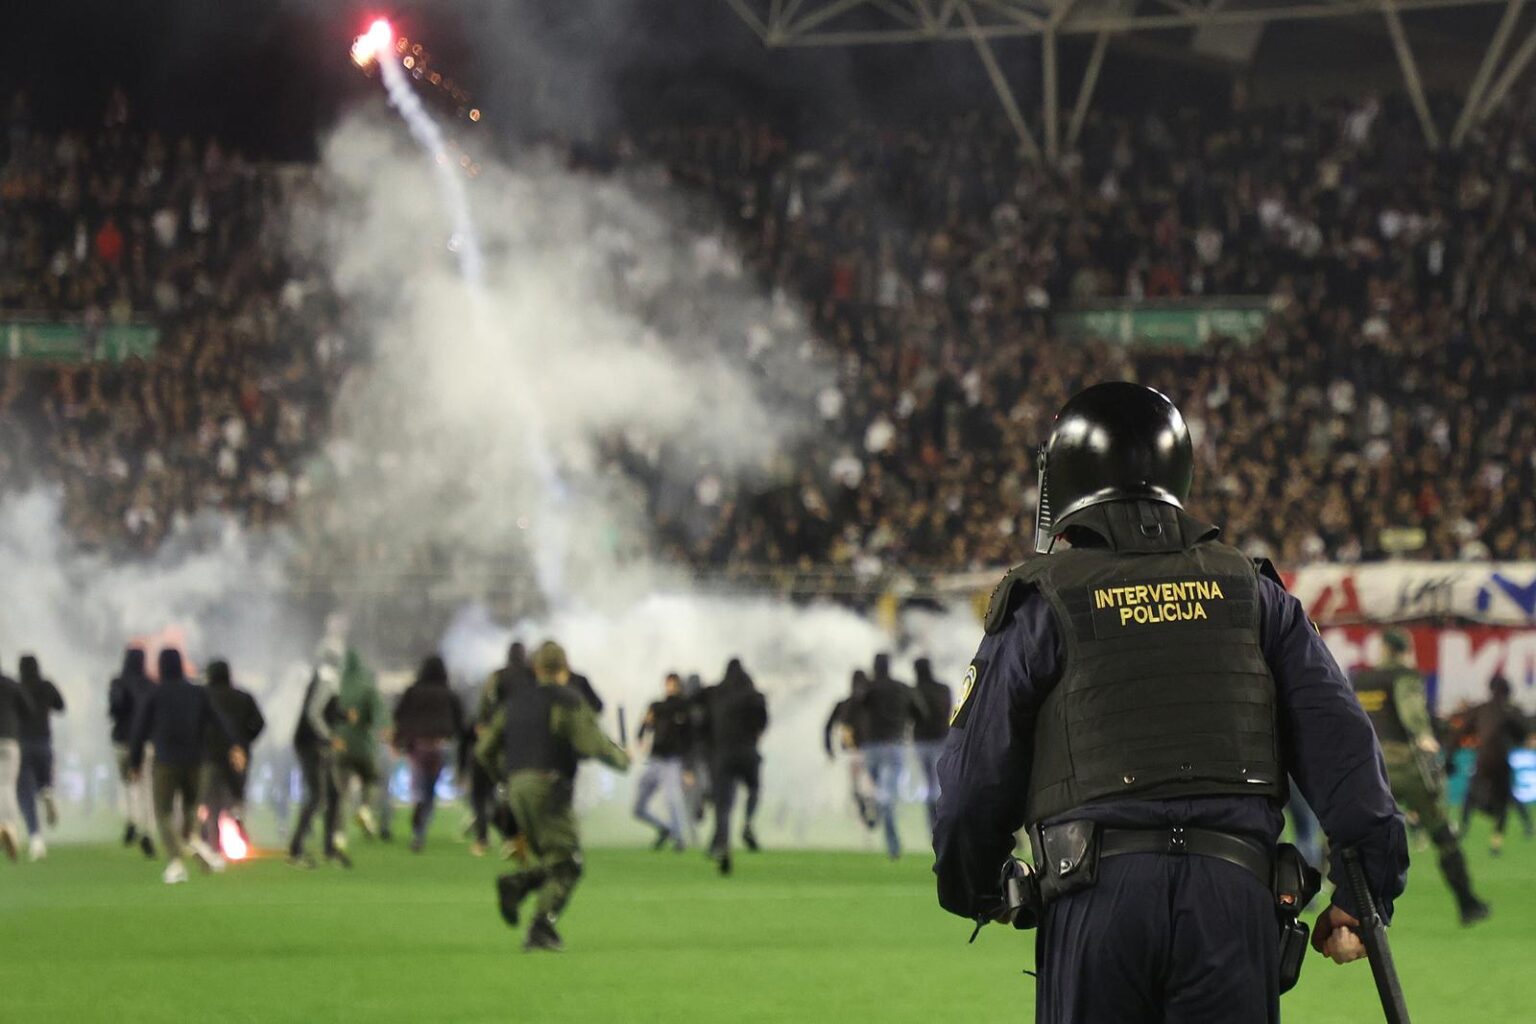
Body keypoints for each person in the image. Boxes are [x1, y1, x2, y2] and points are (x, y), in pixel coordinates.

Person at [933, 382, 1408, 1023]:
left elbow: (972, 783)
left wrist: (977, 886)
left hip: (1095, 901)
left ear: (1065, 477)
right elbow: (1345, 746)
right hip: (1234, 898)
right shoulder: (1255, 593)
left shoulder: (1041, 602)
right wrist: (1363, 886)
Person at [482, 641, 629, 952]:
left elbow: (484, 751)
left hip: (517, 788)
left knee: (553, 859)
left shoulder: (516, 701)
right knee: (568, 864)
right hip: (548, 786)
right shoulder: (568, 700)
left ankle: (518, 885)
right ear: (565, 668)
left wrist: (506, 780)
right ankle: (540, 925)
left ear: (536, 669)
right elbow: (592, 744)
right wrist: (621, 759)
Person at [1350, 630, 1488, 924]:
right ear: (1404, 650)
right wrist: (1424, 735)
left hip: (1369, 766)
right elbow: (1411, 710)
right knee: (1442, 833)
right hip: (1405, 764)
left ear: (1383, 648)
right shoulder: (1405, 676)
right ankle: (1468, 903)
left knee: (1356, 838)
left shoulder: (1362, 679)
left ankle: (1351, 908)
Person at [128, 650, 246, 884]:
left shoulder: (155, 694)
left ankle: (176, 862)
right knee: (191, 808)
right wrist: (234, 745)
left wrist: (135, 762)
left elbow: (139, 730)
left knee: (163, 812)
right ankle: (193, 841)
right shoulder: (198, 693)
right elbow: (219, 720)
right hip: (195, 761)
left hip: (166, 761)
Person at [699, 657, 769, 874]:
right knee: (754, 788)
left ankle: (723, 844)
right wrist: (755, 735)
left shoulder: (716, 694)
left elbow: (703, 722)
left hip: (723, 754)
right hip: (747, 750)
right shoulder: (753, 695)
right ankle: (748, 821)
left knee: (723, 805)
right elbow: (763, 721)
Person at [392, 655, 465, 852]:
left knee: (418, 784)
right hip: (440, 746)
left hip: (417, 746)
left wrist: (399, 740)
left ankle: (418, 814)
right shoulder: (449, 694)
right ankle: (421, 825)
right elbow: (460, 722)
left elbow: (399, 715)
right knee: (430, 789)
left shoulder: (412, 692)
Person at [858, 653, 927, 860]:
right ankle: (892, 842)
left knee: (877, 789)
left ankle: (873, 808)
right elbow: (921, 712)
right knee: (888, 795)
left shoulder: (869, 688)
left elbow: (857, 706)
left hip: (873, 747)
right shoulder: (902, 687)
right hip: (896, 745)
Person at [289, 641, 348, 868]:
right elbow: (314, 713)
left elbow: (322, 710)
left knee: (332, 794)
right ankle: (296, 849)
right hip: (311, 744)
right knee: (318, 796)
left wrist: (342, 716)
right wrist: (329, 737)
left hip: (313, 743)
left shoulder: (322, 676)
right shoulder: (328, 678)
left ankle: (329, 848)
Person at [467, 642, 529, 857]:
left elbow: (483, 712)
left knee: (480, 793)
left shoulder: (496, 677)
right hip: (523, 746)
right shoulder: (533, 678)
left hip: (495, 743)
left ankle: (482, 839)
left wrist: (484, 729)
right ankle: (517, 837)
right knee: (515, 793)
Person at [1459, 675, 1530, 856]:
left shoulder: (1481, 709)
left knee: (1470, 795)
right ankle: (1497, 843)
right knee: (1505, 800)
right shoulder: (1510, 710)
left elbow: (1462, 730)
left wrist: (1450, 754)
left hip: (1483, 762)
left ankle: (1462, 829)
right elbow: (1523, 730)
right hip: (1502, 763)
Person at [199, 660, 265, 852]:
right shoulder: (243, 697)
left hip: (210, 756)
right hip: (237, 757)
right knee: (235, 797)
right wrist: (245, 742)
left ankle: (212, 842)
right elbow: (259, 723)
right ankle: (239, 831)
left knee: (211, 802)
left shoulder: (204, 697)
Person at [633, 673, 694, 851]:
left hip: (672, 762)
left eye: (674, 684)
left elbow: (690, 740)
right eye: (668, 684)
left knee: (672, 799)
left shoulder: (684, 708)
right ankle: (666, 829)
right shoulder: (657, 706)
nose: (670, 688)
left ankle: (679, 838)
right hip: (654, 760)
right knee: (638, 807)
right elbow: (645, 725)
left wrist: (688, 768)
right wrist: (641, 736)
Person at [334, 648, 387, 843]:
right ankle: (365, 808)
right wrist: (384, 729)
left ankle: (339, 834)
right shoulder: (367, 687)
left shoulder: (336, 686)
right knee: (370, 779)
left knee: (340, 792)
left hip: (339, 746)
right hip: (363, 746)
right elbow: (379, 715)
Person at [16, 656, 66, 860]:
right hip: (44, 743)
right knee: (44, 782)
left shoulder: (18, 688)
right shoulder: (46, 686)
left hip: (22, 744)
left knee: (25, 793)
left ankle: (35, 837)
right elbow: (61, 706)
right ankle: (47, 791)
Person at [109, 647, 157, 857]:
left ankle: (132, 819)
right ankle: (148, 830)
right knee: (146, 786)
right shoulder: (151, 684)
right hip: (147, 741)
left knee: (128, 784)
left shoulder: (118, 682)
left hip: (122, 740)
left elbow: (114, 708)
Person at [825, 670, 876, 829]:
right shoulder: (870, 705)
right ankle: (869, 811)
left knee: (857, 787)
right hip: (867, 750)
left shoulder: (844, 705)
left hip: (852, 750)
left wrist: (829, 748)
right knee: (868, 786)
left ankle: (865, 811)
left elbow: (828, 727)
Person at [911, 657, 952, 834]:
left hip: (921, 741)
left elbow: (912, 715)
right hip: (942, 738)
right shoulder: (943, 689)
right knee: (941, 783)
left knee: (929, 785)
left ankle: (932, 824)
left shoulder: (914, 691)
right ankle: (945, 820)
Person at [0, 658, 31, 862]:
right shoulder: (11, 684)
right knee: (7, 785)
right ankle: (9, 827)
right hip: (9, 740)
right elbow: (29, 709)